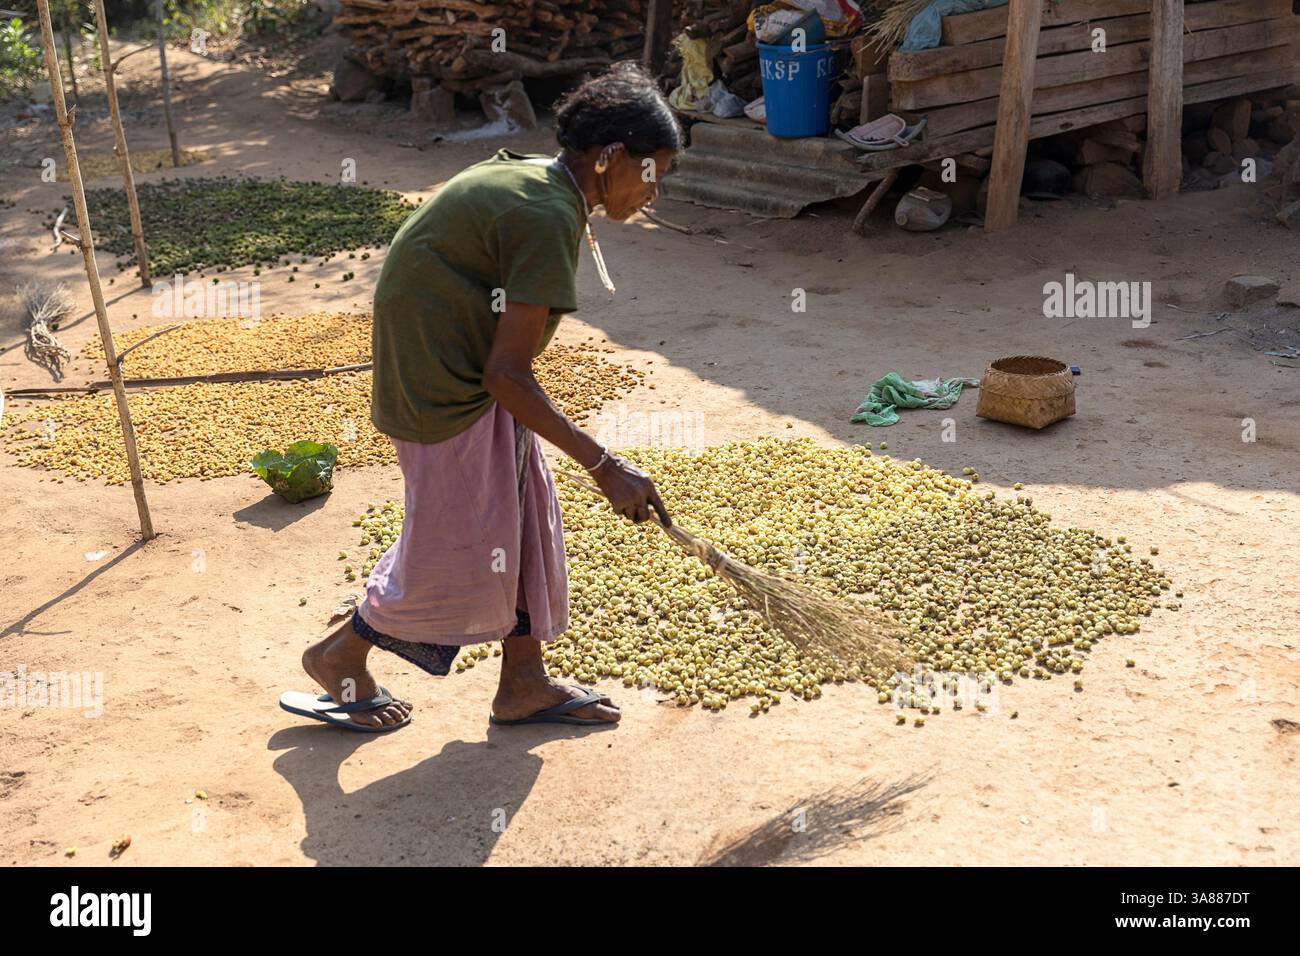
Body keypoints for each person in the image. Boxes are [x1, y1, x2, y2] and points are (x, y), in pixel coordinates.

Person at [280, 63, 682, 732]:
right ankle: (338, 655)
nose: (654, 188)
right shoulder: (549, 213)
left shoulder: (535, 180)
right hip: (445, 387)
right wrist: (605, 466)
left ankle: (523, 682)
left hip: (447, 362)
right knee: (459, 544)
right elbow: (507, 376)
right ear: (611, 158)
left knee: (523, 514)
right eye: (652, 170)